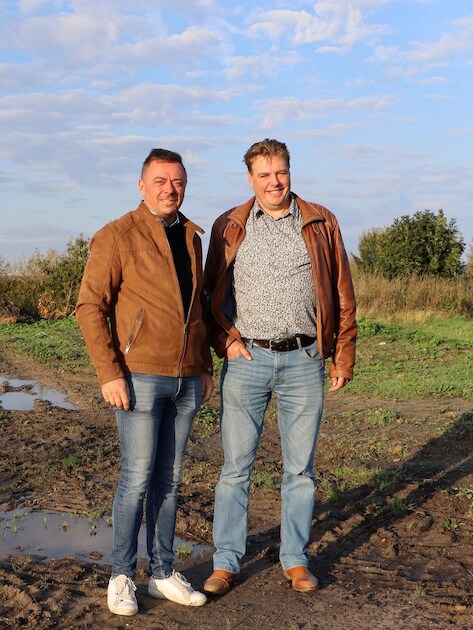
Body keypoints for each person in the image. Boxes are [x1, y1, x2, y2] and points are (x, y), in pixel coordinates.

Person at [200, 138, 357, 596]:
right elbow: (210, 294)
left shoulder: (321, 221)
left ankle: (295, 559)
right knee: (235, 468)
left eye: (281, 172)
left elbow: (343, 293)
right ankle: (226, 561)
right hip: (247, 359)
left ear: (291, 172)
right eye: (264, 174)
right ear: (250, 178)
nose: (274, 181)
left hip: (305, 359)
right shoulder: (229, 224)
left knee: (300, 470)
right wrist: (224, 341)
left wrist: (342, 353)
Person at [75, 148, 214, 617]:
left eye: (176, 181)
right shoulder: (116, 236)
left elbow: (199, 307)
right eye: (159, 180)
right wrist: (110, 372)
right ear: (141, 184)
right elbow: (90, 307)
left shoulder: (193, 236)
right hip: (139, 377)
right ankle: (120, 575)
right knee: (135, 479)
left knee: (170, 480)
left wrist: (205, 366)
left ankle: (161, 572)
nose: (169, 188)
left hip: (186, 378)